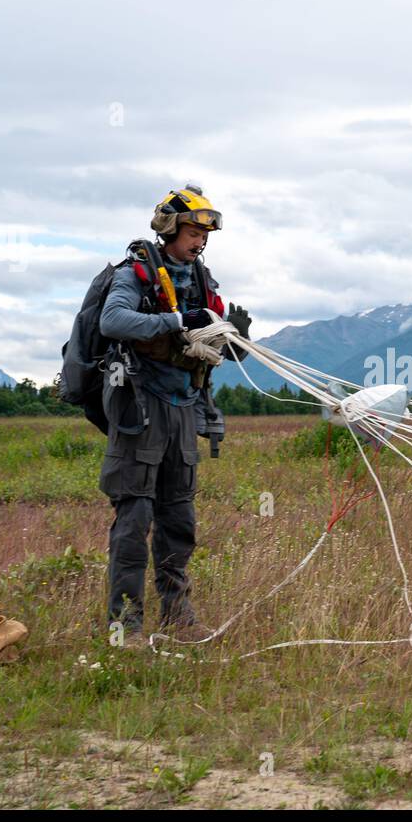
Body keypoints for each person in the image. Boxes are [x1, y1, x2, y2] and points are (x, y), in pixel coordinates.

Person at [96, 185, 252, 644]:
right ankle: (126, 627)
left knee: (179, 521)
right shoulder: (136, 274)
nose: (199, 241)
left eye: (204, 234)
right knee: (134, 521)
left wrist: (225, 333)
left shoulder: (203, 281)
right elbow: (113, 321)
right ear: (169, 227)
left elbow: (214, 344)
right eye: (191, 231)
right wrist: (176, 322)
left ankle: (178, 618)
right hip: (140, 411)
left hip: (184, 411)